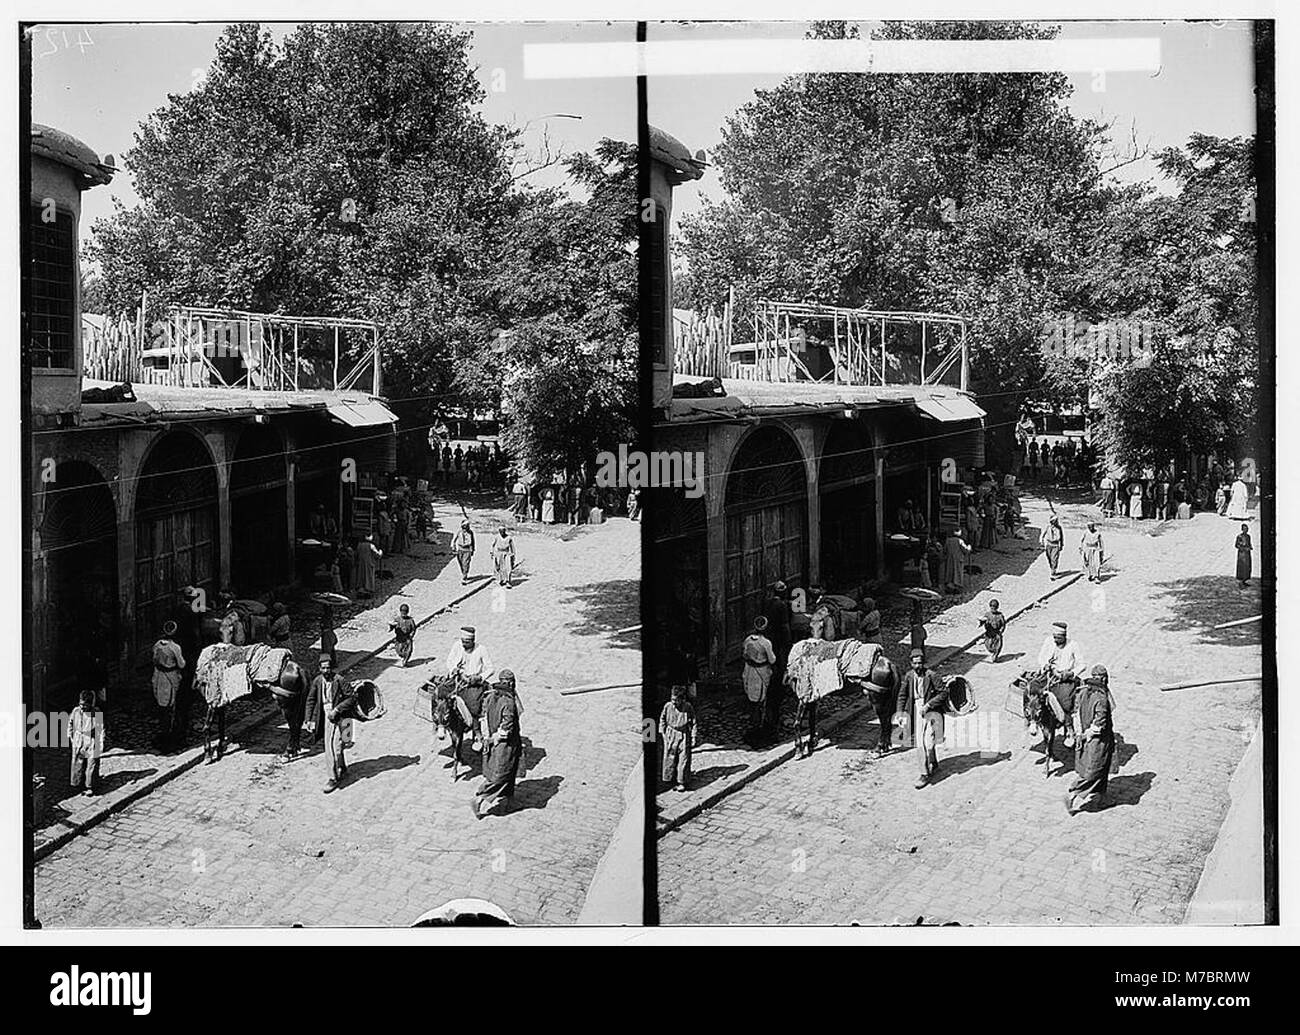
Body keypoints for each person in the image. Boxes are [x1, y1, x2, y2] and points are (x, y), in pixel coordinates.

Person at [473, 670, 524, 818]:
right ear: (510, 683)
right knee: (501, 774)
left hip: (499, 741)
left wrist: (485, 736)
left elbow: (482, 717)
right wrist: (494, 738)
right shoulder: (508, 702)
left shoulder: (490, 696)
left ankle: (509, 802)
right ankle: (479, 799)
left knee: (511, 772)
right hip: (504, 745)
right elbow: (506, 727)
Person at [895, 648, 948, 789]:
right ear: (911, 664)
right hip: (916, 710)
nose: (918, 666)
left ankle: (933, 761)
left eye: (920, 663)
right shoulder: (909, 677)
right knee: (920, 744)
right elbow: (902, 695)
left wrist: (929, 705)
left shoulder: (932, 675)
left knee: (929, 742)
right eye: (915, 663)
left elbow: (943, 693)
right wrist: (900, 713)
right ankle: (924, 774)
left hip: (932, 712)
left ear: (923, 663)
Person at [1065, 665, 1115, 815]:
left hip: (1087, 737)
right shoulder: (1101, 699)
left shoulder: (1082, 692)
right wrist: (1088, 734)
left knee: (1104, 768)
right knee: (1094, 770)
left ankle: (1102, 798)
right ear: (1105, 679)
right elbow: (1099, 724)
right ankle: (1073, 794)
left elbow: (1075, 713)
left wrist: (1079, 733)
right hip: (1097, 742)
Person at [305, 655, 355, 793]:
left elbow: (351, 697)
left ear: (331, 668)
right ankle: (334, 775)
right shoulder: (317, 681)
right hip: (326, 718)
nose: (326, 670)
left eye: (328, 668)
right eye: (323, 668)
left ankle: (334, 777)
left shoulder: (339, 680)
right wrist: (308, 719)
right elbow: (311, 699)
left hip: (340, 718)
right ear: (319, 668)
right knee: (329, 747)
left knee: (337, 747)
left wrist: (337, 709)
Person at [152, 620, 185, 748]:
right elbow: (181, 664)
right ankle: (169, 735)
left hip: (159, 675)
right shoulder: (175, 647)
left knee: (161, 704)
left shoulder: (157, 645)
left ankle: (163, 731)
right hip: (171, 676)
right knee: (171, 704)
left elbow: (154, 659)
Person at [741, 616, 777, 733]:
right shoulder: (766, 643)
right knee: (761, 697)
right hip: (761, 671)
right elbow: (772, 660)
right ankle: (759, 723)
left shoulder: (748, 640)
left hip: (749, 670)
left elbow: (744, 654)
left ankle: (754, 721)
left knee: (751, 696)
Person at [659, 685, 696, 793]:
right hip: (670, 734)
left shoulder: (688, 707)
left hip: (684, 735)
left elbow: (694, 722)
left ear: (682, 699)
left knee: (683, 759)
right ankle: (669, 780)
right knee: (669, 758)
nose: (674, 702)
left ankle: (681, 782)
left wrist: (693, 736)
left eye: (676, 700)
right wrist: (663, 733)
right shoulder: (667, 706)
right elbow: (662, 719)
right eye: (672, 699)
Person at [69, 688, 103, 795]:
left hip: (92, 740)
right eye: (81, 704)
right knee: (77, 763)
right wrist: (71, 737)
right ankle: (77, 784)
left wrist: (101, 744)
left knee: (92, 764)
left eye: (85, 705)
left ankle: (90, 786)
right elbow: (70, 723)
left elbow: (101, 729)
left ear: (90, 704)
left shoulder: (96, 713)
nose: (82, 707)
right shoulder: (75, 711)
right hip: (79, 739)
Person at [942, 529, 972, 594]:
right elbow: (965, 550)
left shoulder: (948, 541)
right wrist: (969, 548)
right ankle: (957, 587)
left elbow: (944, 550)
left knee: (950, 573)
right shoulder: (960, 541)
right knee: (958, 573)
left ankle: (949, 587)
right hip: (958, 560)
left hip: (949, 560)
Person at [452, 519, 476, 584]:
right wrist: (453, 547)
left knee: (466, 563)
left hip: (467, 550)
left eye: (467, 526)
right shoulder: (459, 532)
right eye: (465, 526)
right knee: (461, 563)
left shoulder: (470, 532)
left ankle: (464, 577)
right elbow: (454, 540)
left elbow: (473, 542)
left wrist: (472, 550)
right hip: (460, 550)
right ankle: (464, 573)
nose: (466, 528)